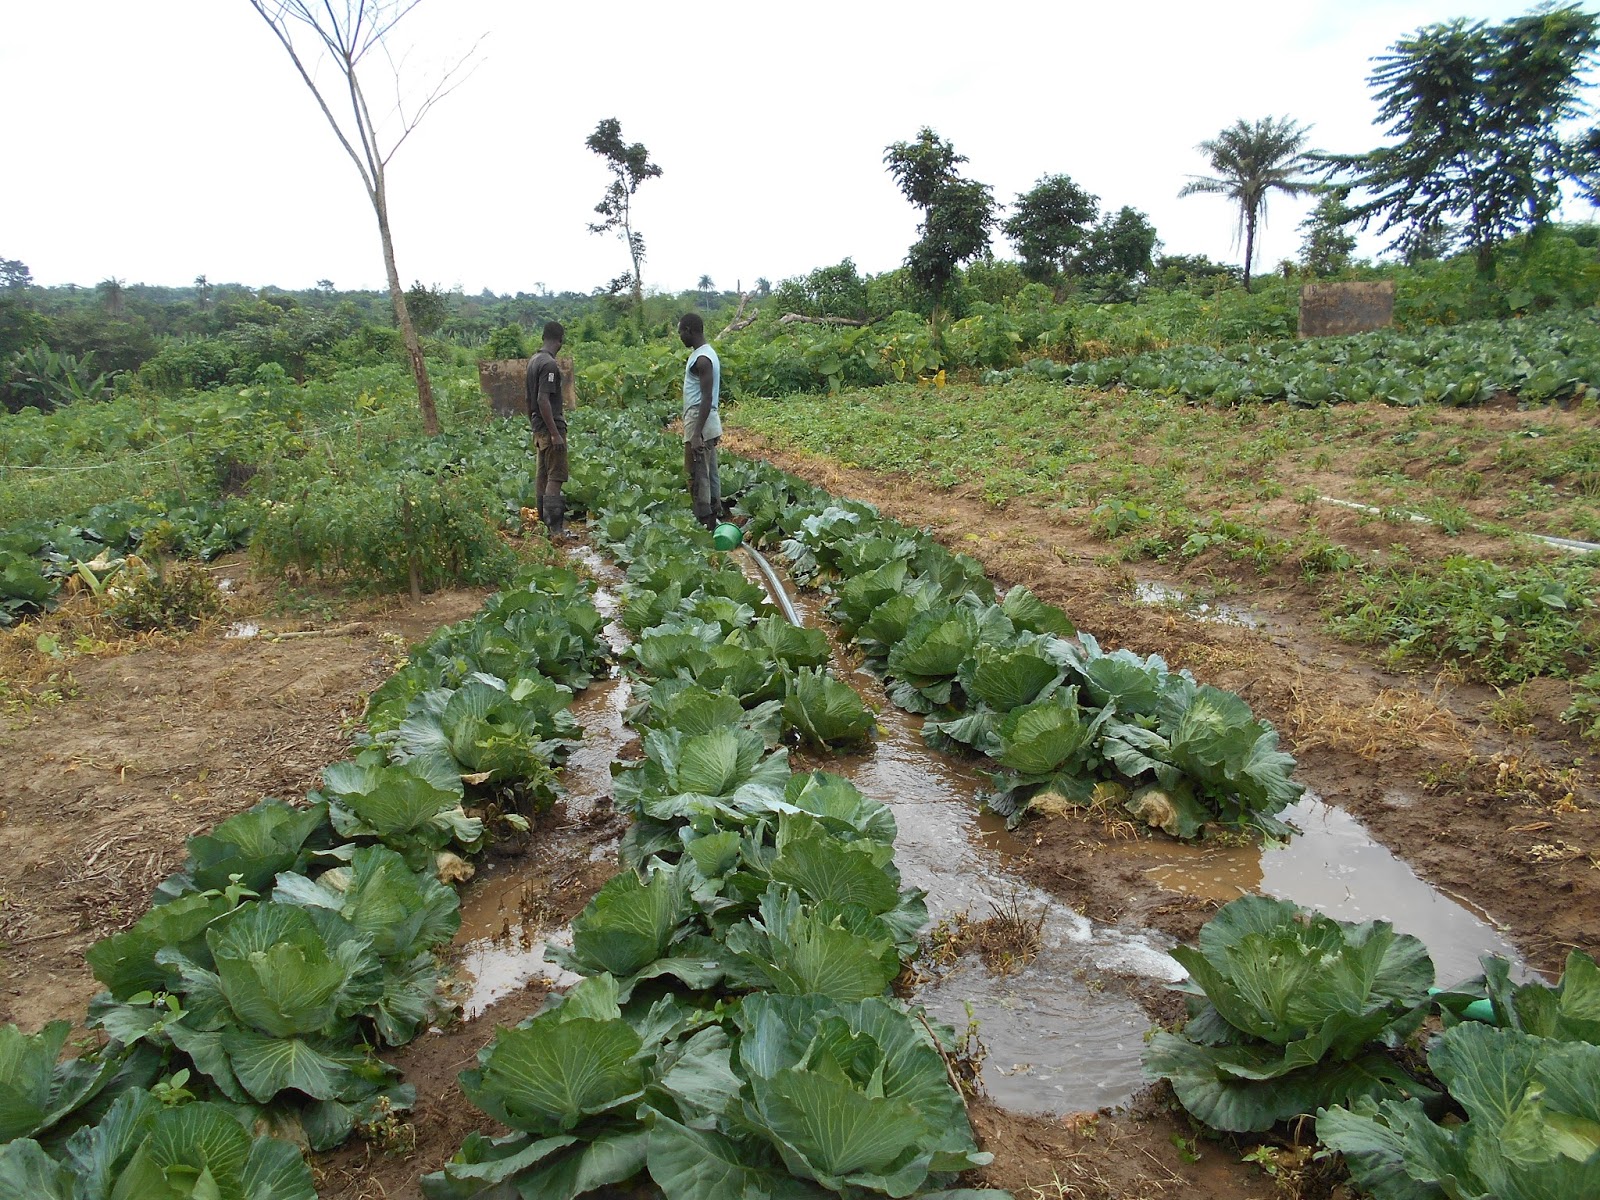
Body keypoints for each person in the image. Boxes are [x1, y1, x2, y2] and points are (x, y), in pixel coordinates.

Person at [678, 312, 722, 530]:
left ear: (689, 330)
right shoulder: (706, 354)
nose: (680, 337)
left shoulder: (702, 359)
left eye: (680, 332)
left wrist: (696, 434)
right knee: (710, 473)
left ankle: (705, 525)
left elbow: (706, 398)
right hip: (707, 420)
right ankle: (713, 522)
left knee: (698, 476)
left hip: (700, 420)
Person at [525, 320, 568, 537]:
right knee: (556, 476)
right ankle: (556, 531)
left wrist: (535, 425)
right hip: (551, 427)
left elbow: (528, 399)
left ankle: (543, 527)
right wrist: (554, 433)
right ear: (560, 340)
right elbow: (543, 399)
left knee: (542, 476)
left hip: (538, 427)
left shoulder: (533, 361)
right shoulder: (549, 365)